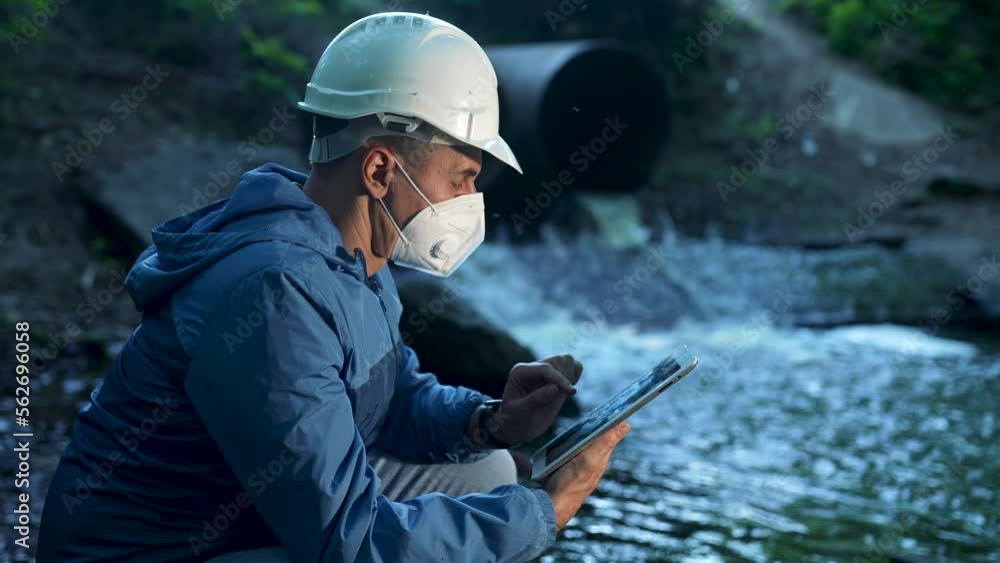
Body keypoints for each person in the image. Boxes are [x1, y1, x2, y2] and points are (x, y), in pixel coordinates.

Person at [37, 12, 630, 562]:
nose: (472, 202)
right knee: (491, 512)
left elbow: (390, 395)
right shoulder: (275, 290)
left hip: (235, 519)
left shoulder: (346, 260)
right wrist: (545, 511)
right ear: (379, 171)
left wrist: (487, 421)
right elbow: (350, 540)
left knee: (487, 473)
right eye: (463, 177)